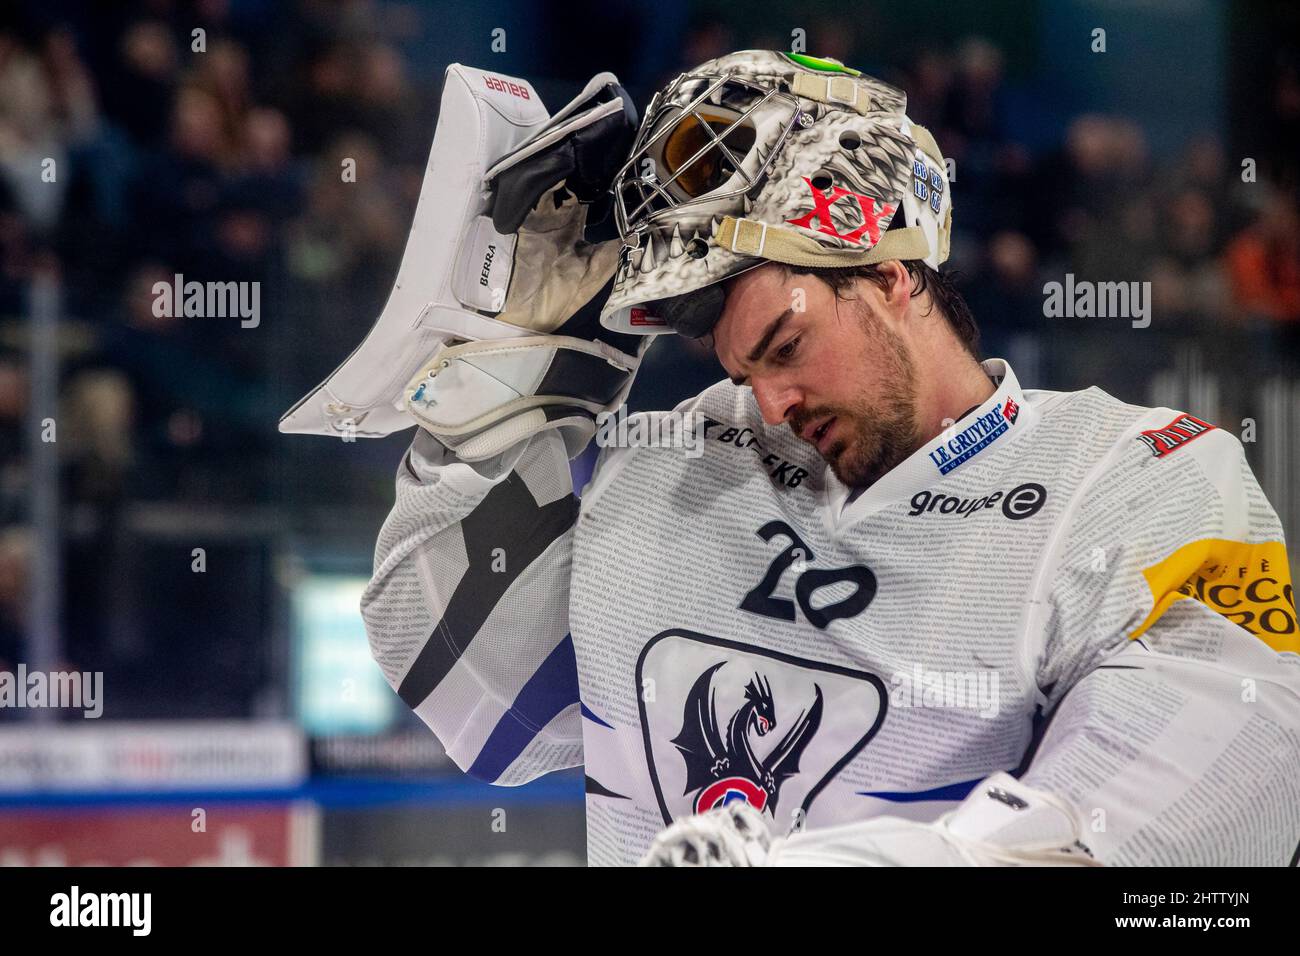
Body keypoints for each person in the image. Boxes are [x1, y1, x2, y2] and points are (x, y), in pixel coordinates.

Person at [355, 52, 1299, 866]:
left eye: (786, 347)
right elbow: (472, 697)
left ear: (889, 274)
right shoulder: (675, 459)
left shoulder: (1140, 479)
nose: (770, 404)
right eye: (739, 369)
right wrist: (497, 387)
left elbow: (1195, 827)